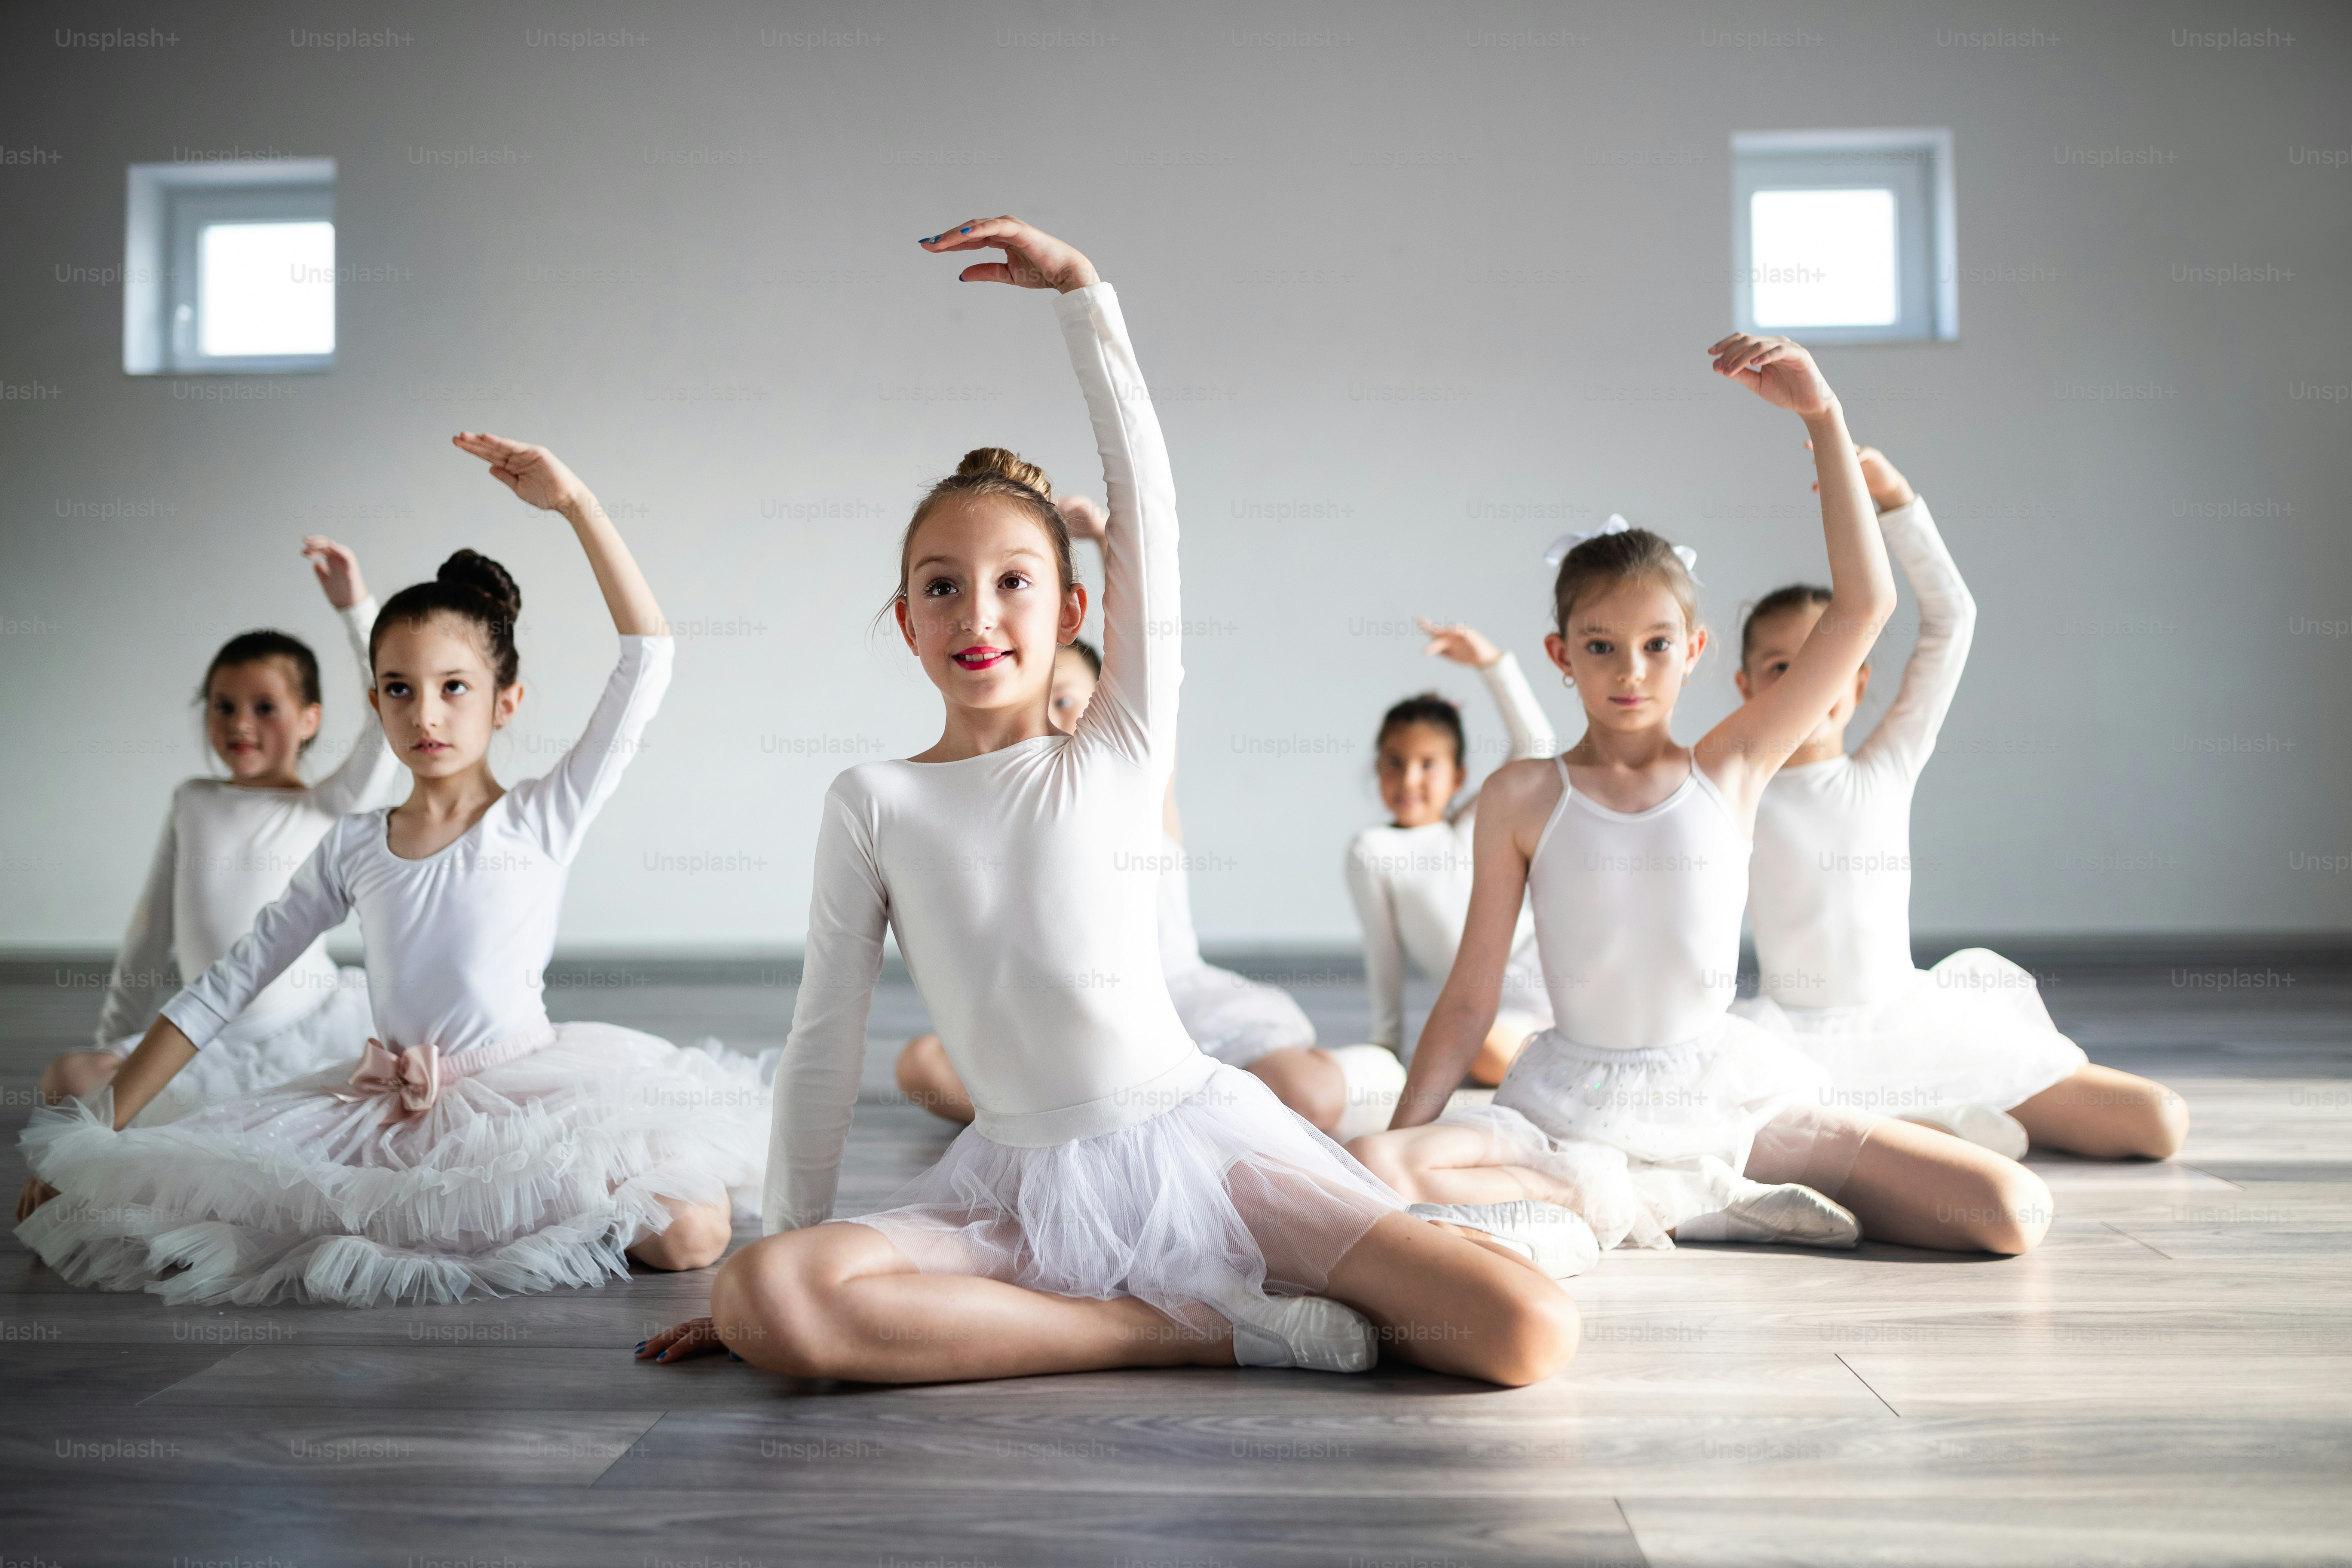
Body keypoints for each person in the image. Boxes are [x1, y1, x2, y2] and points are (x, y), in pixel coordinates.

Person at [639, 217, 1577, 1386]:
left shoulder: (1118, 746)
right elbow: (823, 1043)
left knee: (1529, 1334)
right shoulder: (871, 800)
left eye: (1013, 584)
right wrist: (782, 1248)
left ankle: (1238, 1292)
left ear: (1074, 614)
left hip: (1198, 1148)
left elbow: (1155, 512)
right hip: (1014, 1187)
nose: (978, 616)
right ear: (906, 623)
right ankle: (1193, 1328)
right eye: (943, 588)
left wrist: (1086, 303)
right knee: (768, 1298)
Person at [1350, 334, 2055, 1262]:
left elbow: (1865, 608)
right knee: (1378, 1163)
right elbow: (1471, 996)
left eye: (1654, 645)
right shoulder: (1523, 795)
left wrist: (1823, 415)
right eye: (1600, 646)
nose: (1629, 671)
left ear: (1691, 650)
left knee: (2008, 1212)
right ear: (1562, 657)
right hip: (1575, 1110)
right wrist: (1399, 1143)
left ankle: (1688, 1190)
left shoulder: (1732, 766)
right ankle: (1657, 1198)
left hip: (1724, 1097)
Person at [15, 435, 769, 1304]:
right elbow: (221, 988)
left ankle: (559, 1199)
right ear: (375, 702)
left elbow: (650, 660)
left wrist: (576, 508)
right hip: (392, 1114)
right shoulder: (353, 844)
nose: (427, 713)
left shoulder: (541, 814)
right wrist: (98, 1132)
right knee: (172, 1212)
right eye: (400, 689)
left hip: (529, 1091)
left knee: (688, 1236)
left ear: (505, 701)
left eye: (455, 687)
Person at [1733, 444, 2187, 1161]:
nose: (1809, 685)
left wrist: (1896, 502)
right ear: (1745, 686)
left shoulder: (1885, 766)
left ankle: (1931, 1120)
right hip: (1795, 1042)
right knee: (1753, 1127)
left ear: (1857, 683)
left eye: (1830, 665)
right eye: (1783, 668)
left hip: (1912, 1029)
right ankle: (1927, 1133)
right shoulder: (1733, 789)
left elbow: (1952, 620)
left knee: (2158, 1121)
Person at [46, 539, 398, 1123]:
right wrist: (119, 1044)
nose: (240, 723)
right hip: (200, 1033)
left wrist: (355, 608)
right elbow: (149, 931)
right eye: (223, 705)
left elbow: (385, 718)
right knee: (69, 1078)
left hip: (305, 1027)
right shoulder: (194, 801)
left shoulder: (328, 804)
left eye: (265, 707)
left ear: (310, 719)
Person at [1345, 620, 1559, 1087]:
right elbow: (1383, 952)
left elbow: (1538, 750)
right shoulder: (1373, 851)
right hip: (1496, 1008)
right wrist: (1387, 1042)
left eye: (1428, 765)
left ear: (1459, 777)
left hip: (1553, 963)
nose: (1409, 780)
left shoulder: (1473, 824)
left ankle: (1613, 1070)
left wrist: (1492, 665)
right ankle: (1585, 1089)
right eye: (1394, 763)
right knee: (1479, 1055)